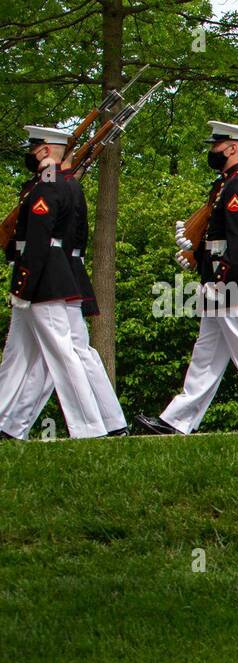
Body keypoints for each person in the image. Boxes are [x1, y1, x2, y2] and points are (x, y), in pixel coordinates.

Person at [138, 121, 238, 434]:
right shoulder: (227, 183)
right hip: (221, 278)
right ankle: (177, 420)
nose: (212, 151)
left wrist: (220, 279)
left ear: (232, 148)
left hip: (234, 282)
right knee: (205, 357)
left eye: (216, 145)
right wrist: (197, 252)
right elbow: (220, 237)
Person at [0, 125, 107, 439]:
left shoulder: (47, 184)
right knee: (17, 354)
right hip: (45, 276)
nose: (31, 155)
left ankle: (89, 428)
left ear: (45, 150)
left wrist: (22, 285)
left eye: (34, 149)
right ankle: (6, 422)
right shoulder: (54, 182)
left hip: (43, 280)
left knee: (62, 355)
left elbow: (39, 241)